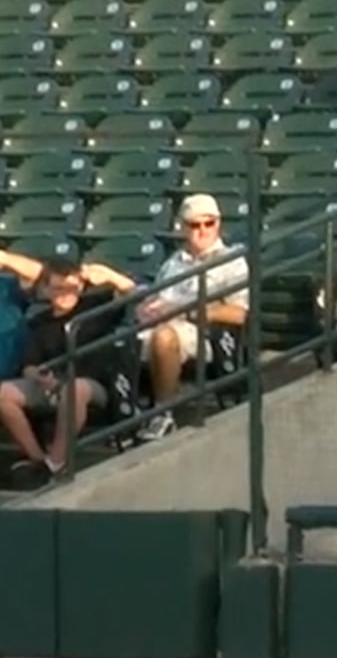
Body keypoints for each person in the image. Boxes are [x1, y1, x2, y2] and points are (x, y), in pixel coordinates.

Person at [0, 256, 135, 481]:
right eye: (58, 288)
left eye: (71, 288)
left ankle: (57, 461)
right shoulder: (40, 321)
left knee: (74, 389)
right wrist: (39, 375)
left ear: (81, 287)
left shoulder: (97, 307)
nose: (64, 293)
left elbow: (135, 294)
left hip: (93, 384)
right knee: (3, 394)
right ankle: (38, 459)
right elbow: (29, 365)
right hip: (50, 384)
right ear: (46, 289)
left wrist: (110, 276)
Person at [135, 194, 250, 440]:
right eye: (195, 225)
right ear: (183, 227)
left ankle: (163, 414)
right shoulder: (173, 262)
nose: (203, 231)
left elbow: (240, 313)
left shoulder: (232, 261)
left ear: (218, 224)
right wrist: (146, 309)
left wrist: (187, 311)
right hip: (160, 324)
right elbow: (156, 298)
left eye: (209, 223)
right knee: (116, 343)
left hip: (202, 331)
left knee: (163, 338)